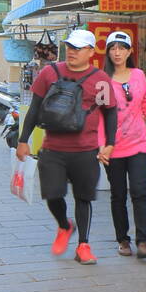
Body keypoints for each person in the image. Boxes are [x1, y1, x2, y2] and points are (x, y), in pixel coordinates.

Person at [15, 29, 117, 265]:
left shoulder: (100, 79)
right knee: (52, 194)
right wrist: (23, 140)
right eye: (70, 47)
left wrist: (110, 144)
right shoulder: (50, 72)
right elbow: (34, 108)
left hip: (86, 149)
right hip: (53, 148)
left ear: (91, 52)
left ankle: (84, 245)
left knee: (83, 198)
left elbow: (110, 112)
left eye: (78, 48)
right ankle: (64, 225)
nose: (72, 52)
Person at [100, 31, 146, 258]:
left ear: (129, 51)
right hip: (113, 146)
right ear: (107, 52)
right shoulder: (102, 80)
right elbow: (99, 117)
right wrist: (102, 146)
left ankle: (143, 242)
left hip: (139, 143)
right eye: (112, 48)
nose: (117, 52)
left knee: (139, 192)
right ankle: (123, 240)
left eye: (121, 48)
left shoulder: (138, 75)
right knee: (118, 194)